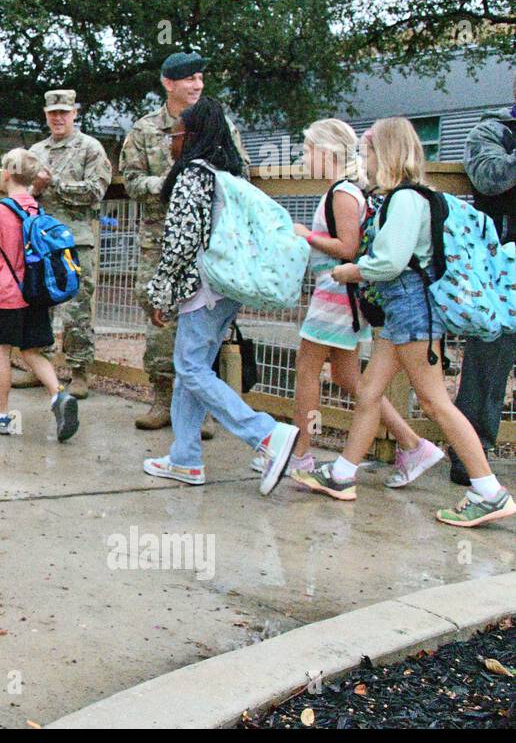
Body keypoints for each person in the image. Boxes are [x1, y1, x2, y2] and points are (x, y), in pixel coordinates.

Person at [294, 117, 514, 527]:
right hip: (406, 315)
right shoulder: (410, 197)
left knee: (434, 402)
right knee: (370, 391)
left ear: (385, 154)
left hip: (413, 313)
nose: (363, 160)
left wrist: (352, 271)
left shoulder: (405, 200)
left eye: (367, 152)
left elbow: (390, 261)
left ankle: (489, 490)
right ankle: (342, 474)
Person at [140, 96, 299, 494]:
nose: (169, 145)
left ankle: (265, 434)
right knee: (192, 369)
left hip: (202, 290)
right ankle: (185, 458)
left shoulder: (192, 176)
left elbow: (179, 244)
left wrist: (161, 294)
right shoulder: (228, 175)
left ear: (190, 136)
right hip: (225, 288)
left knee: (191, 369)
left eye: (174, 136)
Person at [284, 119, 439, 483]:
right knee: (348, 376)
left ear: (326, 153)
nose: (304, 159)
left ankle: (302, 452)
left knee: (307, 370)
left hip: (335, 295)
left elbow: (348, 248)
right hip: (346, 300)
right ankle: (413, 445)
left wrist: (307, 236)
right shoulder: (350, 189)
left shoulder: (341, 192)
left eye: (308, 151)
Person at [119, 51, 250, 432]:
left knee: (205, 321)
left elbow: (240, 171)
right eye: (188, 79)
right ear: (168, 83)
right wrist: (167, 185)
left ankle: (202, 407)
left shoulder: (217, 122)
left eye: (200, 77)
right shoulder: (145, 130)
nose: (197, 85)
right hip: (159, 239)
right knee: (160, 317)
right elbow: (130, 180)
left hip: (207, 242)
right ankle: (162, 398)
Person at [0, 149, 79, 442]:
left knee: (2, 349)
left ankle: (0, 415)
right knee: (31, 350)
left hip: (7, 293)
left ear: (6, 174)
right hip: (34, 293)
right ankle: (58, 395)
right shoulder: (36, 209)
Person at [18, 88, 111, 398]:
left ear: (74, 113)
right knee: (38, 304)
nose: (58, 118)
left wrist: (52, 184)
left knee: (76, 309)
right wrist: (34, 190)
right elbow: (23, 193)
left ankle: (80, 372)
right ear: (45, 115)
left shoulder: (90, 148)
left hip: (74, 241)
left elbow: (95, 191)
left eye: (64, 112)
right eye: (52, 113)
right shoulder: (35, 151)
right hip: (41, 243)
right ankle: (40, 368)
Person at [445, 88, 516, 486]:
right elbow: (490, 180)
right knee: (489, 363)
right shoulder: (491, 132)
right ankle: (471, 458)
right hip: (503, 271)